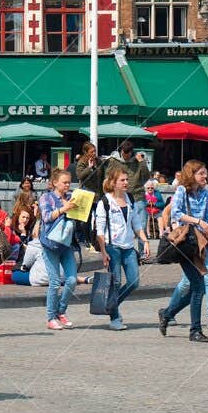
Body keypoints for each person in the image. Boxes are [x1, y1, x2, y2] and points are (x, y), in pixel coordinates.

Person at [158, 160, 208, 342]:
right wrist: (197, 222)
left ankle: (167, 313)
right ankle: (195, 331)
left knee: (197, 288)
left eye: (205, 173)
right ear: (191, 174)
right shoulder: (181, 191)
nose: (205, 176)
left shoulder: (206, 194)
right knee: (199, 286)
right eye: (201, 173)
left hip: (200, 245)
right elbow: (176, 213)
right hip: (185, 243)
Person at [94, 166, 148, 331]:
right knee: (115, 282)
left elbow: (136, 223)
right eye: (122, 180)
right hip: (112, 247)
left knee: (134, 282)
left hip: (129, 246)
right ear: (113, 182)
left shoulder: (130, 198)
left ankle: (111, 305)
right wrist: (103, 252)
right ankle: (115, 318)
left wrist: (145, 240)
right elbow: (100, 230)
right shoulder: (105, 202)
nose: (126, 182)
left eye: (127, 179)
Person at [37, 167, 83, 330]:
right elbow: (47, 217)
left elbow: (78, 219)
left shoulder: (71, 197)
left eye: (69, 183)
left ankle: (60, 311)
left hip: (67, 244)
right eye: (64, 182)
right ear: (55, 183)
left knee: (71, 280)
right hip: (50, 244)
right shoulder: (46, 197)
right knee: (55, 281)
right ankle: (51, 317)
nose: (67, 186)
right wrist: (64, 208)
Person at [102, 140, 151, 235]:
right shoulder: (114, 161)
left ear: (131, 152)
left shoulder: (138, 161)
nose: (126, 156)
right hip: (120, 198)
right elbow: (108, 178)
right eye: (124, 154)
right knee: (121, 227)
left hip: (137, 196)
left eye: (128, 154)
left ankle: (142, 249)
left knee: (142, 226)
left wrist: (141, 162)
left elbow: (146, 177)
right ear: (121, 151)